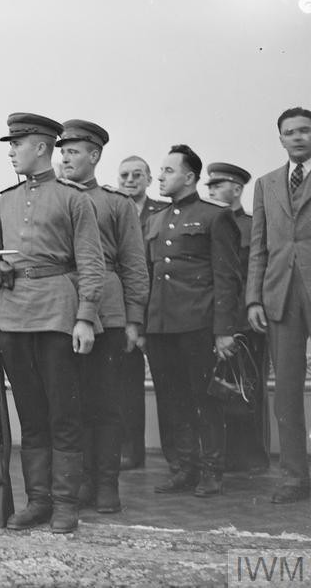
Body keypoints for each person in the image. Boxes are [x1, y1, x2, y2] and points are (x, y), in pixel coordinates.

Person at [0, 113, 105, 533]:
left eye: (16, 144)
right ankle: (38, 501)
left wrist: (85, 318)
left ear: (40, 147)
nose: (10, 152)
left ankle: (65, 504)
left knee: (64, 414)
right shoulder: (3, 202)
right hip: (13, 316)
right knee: (30, 415)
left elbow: (91, 263)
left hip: (57, 313)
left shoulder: (74, 198)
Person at [57, 121, 149, 514]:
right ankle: (82, 482)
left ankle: (107, 484)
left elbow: (134, 264)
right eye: (63, 151)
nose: (66, 158)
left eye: (74, 151)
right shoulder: (53, 198)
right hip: (62, 309)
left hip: (108, 313)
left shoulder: (116, 203)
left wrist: (133, 319)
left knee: (106, 403)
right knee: (72, 403)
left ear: (94, 156)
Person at [145, 144, 240, 498]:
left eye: (168, 171)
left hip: (198, 324)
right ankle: (184, 468)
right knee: (172, 400)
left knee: (205, 400)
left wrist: (224, 330)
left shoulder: (215, 217)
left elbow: (227, 277)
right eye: (161, 170)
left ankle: (212, 470)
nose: (160, 176)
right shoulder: (154, 221)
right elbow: (148, 275)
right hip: (160, 326)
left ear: (189, 177)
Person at [247, 106, 311, 504]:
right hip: (280, 295)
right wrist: (254, 298)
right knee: (286, 390)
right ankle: (294, 477)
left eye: (305, 130)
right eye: (290, 132)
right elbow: (258, 246)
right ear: (281, 139)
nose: (298, 137)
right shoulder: (266, 183)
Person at [206, 162, 270, 472]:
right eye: (210, 186)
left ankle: (253, 457)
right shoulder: (208, 223)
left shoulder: (252, 226)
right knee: (217, 389)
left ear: (236, 188)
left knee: (249, 388)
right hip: (213, 320)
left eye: (218, 186)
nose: (212, 191)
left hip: (246, 322)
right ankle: (222, 456)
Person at [116, 156, 170, 471]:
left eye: (137, 175)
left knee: (169, 385)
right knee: (126, 387)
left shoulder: (163, 212)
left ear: (149, 179)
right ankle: (130, 451)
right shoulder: (112, 211)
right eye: (124, 175)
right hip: (126, 312)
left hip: (160, 311)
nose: (130, 180)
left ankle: (178, 457)